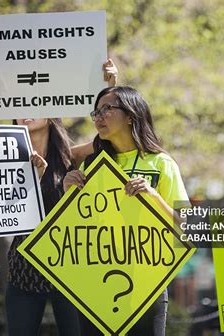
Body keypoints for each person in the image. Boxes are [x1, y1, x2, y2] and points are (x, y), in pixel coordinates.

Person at [0, 59, 118, 335]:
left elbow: (110, 135)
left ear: (53, 110)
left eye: (35, 103)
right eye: (19, 104)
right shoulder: (2, 159)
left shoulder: (71, 155)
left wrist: (111, 86)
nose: (26, 110)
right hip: (23, 271)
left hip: (69, 270)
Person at [63, 86, 190, 335]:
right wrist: (69, 192)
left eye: (107, 109)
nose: (98, 116)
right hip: (95, 286)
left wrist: (153, 197)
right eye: (96, 111)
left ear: (131, 115)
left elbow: (192, 228)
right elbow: (78, 227)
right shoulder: (92, 165)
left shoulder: (161, 163)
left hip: (147, 285)